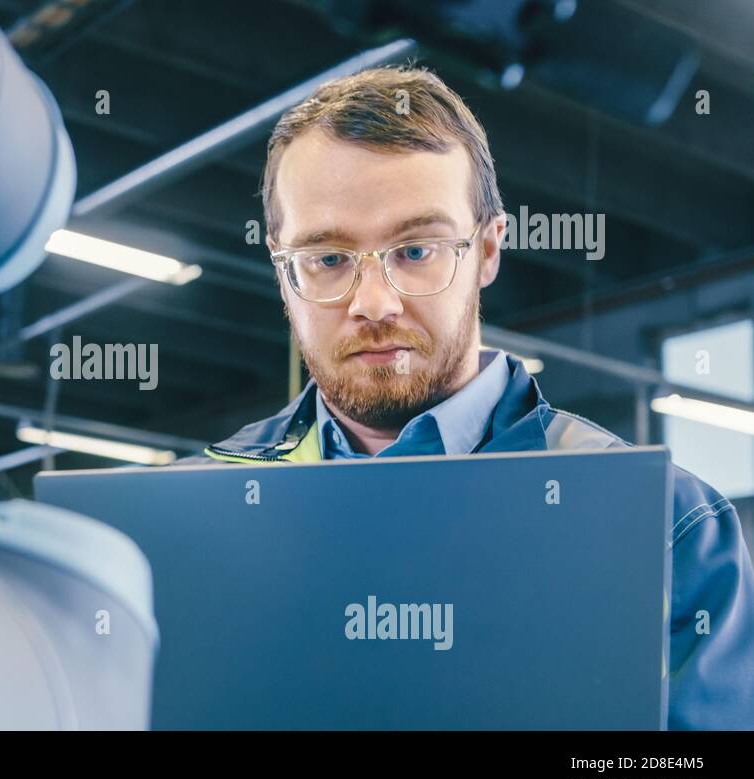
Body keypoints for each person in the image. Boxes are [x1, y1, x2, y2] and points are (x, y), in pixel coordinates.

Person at [183, 65, 754, 729]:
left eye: (417, 249)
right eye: (328, 259)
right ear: (283, 269)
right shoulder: (194, 512)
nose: (373, 303)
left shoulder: (668, 525)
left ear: (487, 249)